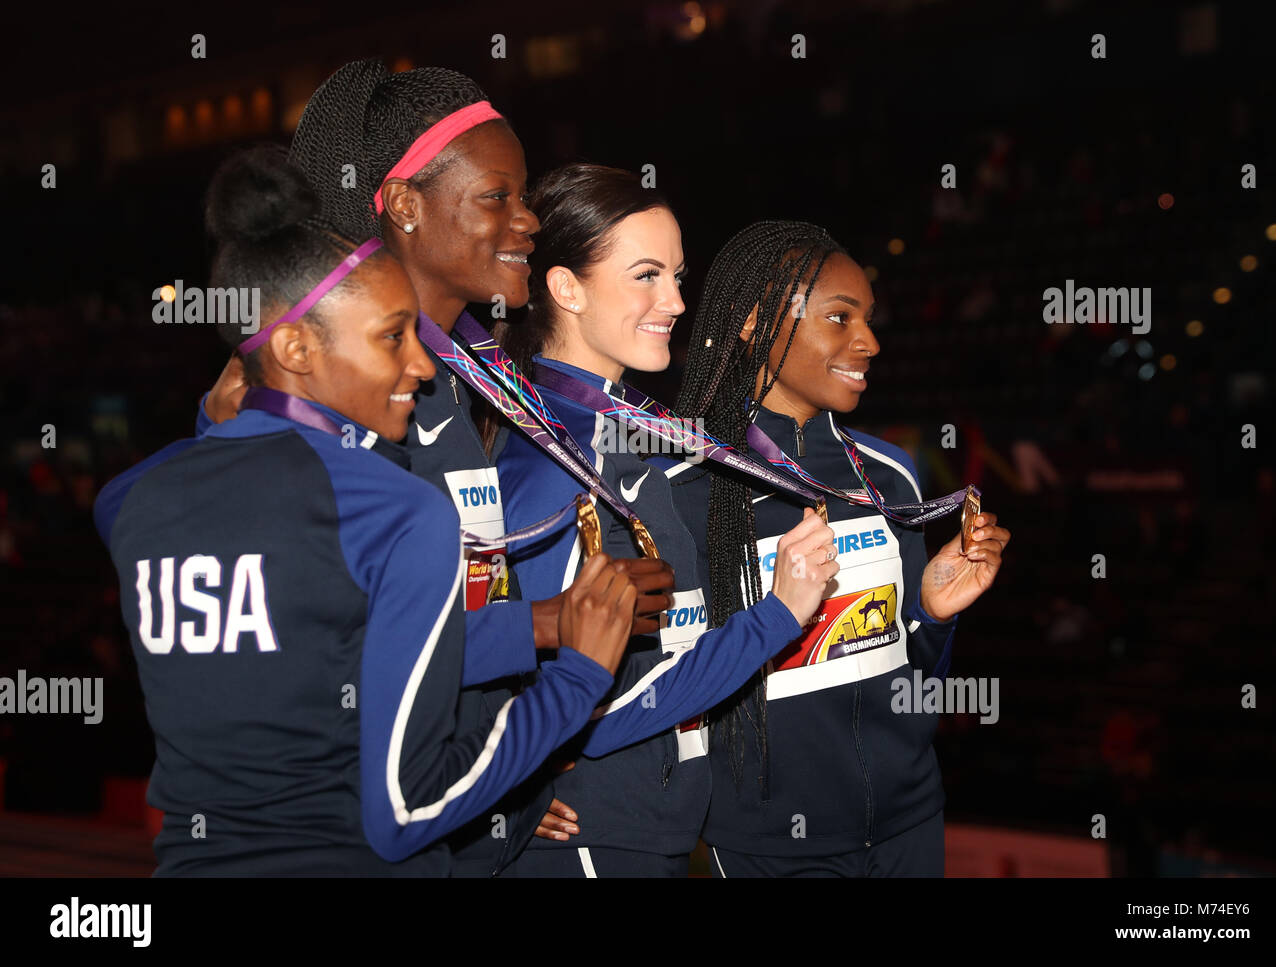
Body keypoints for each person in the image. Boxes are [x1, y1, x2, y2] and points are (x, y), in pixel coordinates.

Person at [92, 146, 635, 874]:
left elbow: (322, 643)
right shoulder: (399, 511)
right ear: (293, 345)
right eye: (391, 337)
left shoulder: (132, 501)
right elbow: (408, 811)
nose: (419, 364)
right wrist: (578, 676)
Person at [196, 60, 676, 873]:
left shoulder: (457, 385)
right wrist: (550, 626)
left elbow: (450, 604)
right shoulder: (337, 385)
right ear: (407, 205)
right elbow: (340, 645)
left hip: (454, 805)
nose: (527, 221)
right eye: (498, 196)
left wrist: (511, 765)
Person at [492, 165, 840, 876]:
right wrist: (779, 612)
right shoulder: (556, 456)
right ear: (565, 287)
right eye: (646, 275)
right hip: (592, 842)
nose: (677, 300)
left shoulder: (622, 437)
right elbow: (588, 714)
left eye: (678, 275)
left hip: (648, 832)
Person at [673, 221, 1011, 876]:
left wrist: (932, 618)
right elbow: (671, 694)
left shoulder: (889, 477)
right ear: (754, 324)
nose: (871, 342)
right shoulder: (688, 491)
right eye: (840, 317)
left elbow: (911, 682)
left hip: (909, 827)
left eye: (870, 318)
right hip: (768, 849)